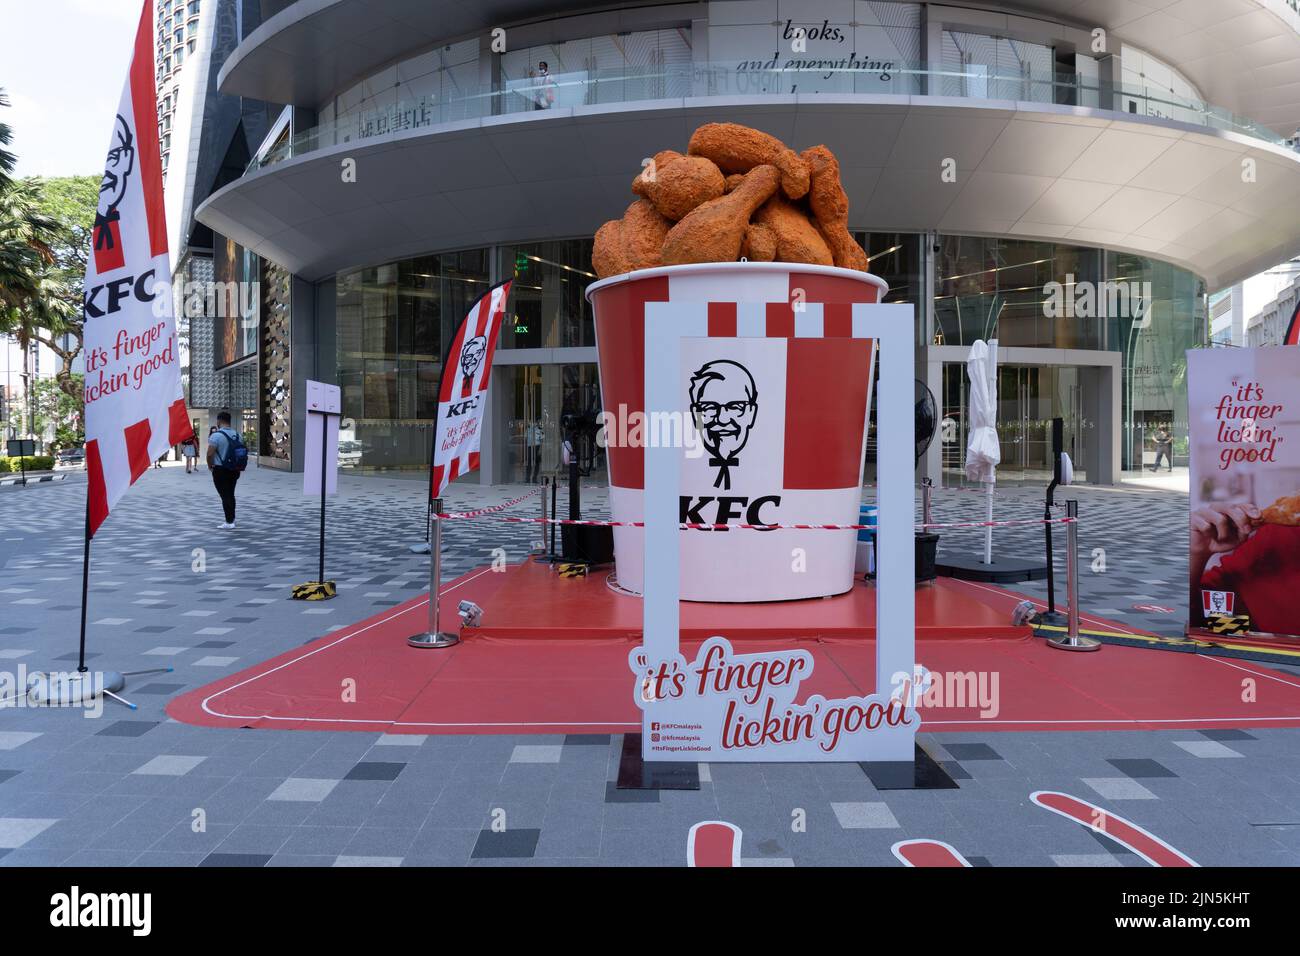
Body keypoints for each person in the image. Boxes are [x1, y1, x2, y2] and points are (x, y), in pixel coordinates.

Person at [207, 411, 241, 529]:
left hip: (220, 469)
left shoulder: (216, 435)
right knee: (231, 494)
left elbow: (210, 453)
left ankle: (229, 522)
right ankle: (231, 519)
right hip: (234, 469)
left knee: (225, 495)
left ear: (219, 421)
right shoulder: (237, 434)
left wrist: (209, 465)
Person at [525, 419, 543, 483]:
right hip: (529, 447)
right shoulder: (528, 429)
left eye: (537, 422)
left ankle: (534, 478)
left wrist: (540, 450)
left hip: (537, 447)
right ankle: (527, 478)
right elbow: (525, 438)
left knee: (536, 463)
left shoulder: (540, 429)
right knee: (528, 463)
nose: (535, 423)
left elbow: (541, 440)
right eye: (534, 422)